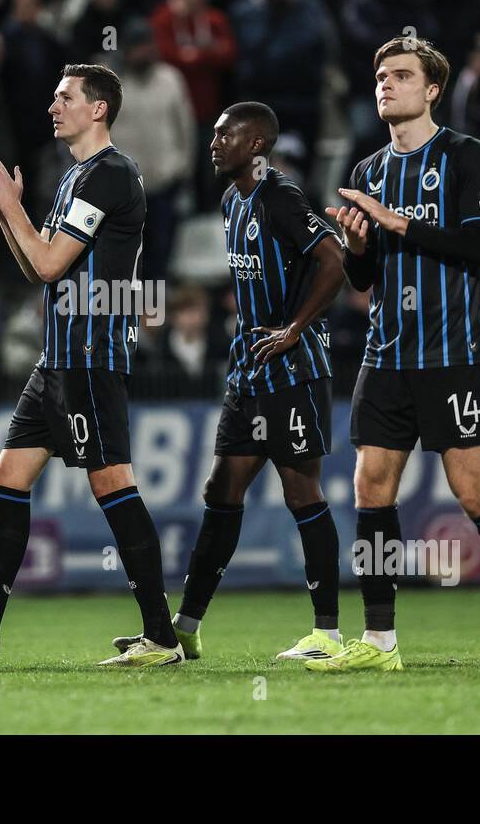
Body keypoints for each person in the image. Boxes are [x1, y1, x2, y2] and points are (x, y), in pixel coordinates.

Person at [0, 64, 185, 668]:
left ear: (99, 110)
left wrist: (11, 206)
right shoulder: (76, 176)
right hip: (57, 358)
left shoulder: (110, 174)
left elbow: (52, 263)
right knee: (9, 476)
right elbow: (37, 266)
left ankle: (162, 637)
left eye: (65, 97)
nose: (52, 106)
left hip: (90, 354)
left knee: (112, 482)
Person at [317, 36, 480, 673]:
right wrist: (358, 245)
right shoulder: (368, 171)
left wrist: (398, 225)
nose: (386, 85)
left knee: (474, 491)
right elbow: (363, 282)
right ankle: (379, 642)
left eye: (401, 75)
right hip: (386, 353)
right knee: (370, 487)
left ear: (432, 91)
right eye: (380, 76)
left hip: (452, 354)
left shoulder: (464, 155)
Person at [111, 102, 349, 663]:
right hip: (249, 371)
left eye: (226, 135)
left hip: (293, 371)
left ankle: (328, 634)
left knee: (301, 492)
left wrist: (293, 328)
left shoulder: (281, 197)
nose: (213, 143)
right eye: (213, 134)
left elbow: (334, 259)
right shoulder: (229, 200)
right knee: (221, 491)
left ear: (258, 143)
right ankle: (185, 628)